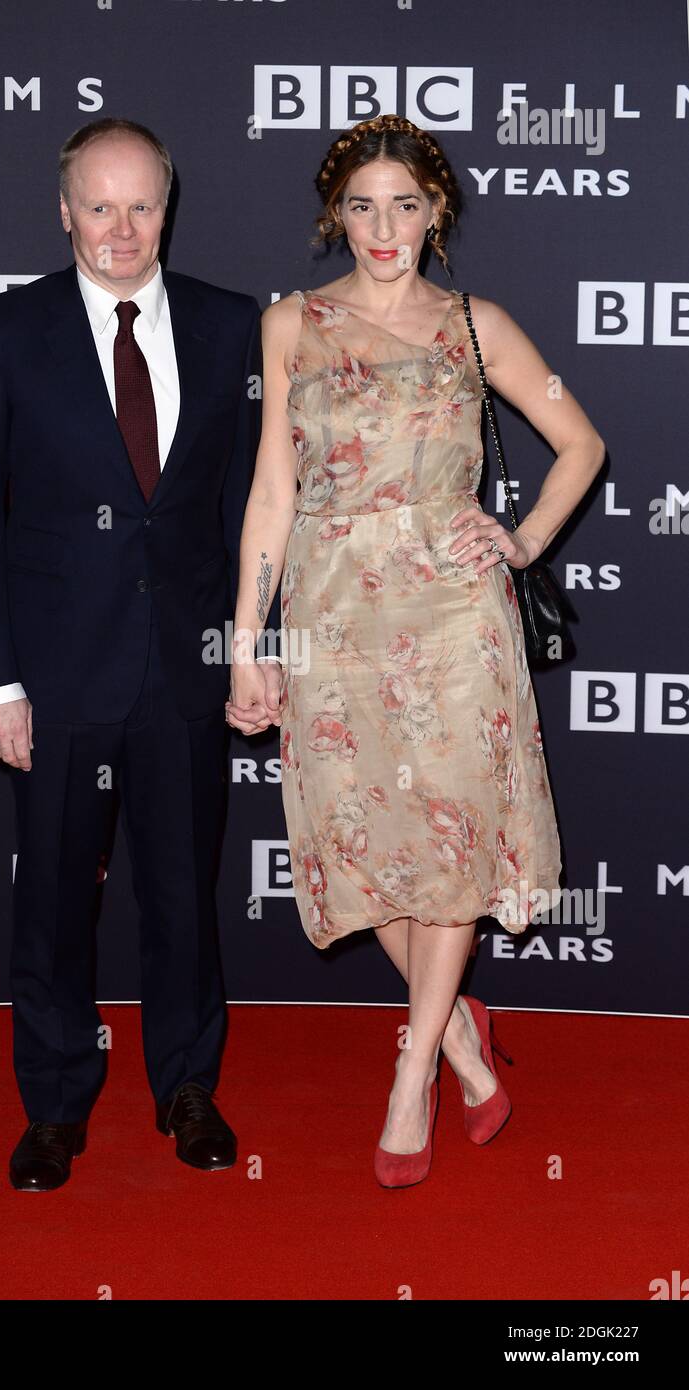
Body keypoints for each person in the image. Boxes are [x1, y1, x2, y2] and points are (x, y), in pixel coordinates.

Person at [226, 114, 605, 1188]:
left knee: (446, 837)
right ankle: (459, 1034)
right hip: (333, 609)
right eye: (360, 205)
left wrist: (522, 537)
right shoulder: (290, 325)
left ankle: (414, 1074)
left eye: (405, 203)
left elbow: (581, 442)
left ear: (435, 210)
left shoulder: (474, 325)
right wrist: (247, 642)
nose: (382, 227)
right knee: (365, 837)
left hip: (451, 616)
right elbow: (270, 490)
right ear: (329, 213)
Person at [0, 116, 279, 1191]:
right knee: (52, 902)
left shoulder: (234, 328)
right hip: (53, 677)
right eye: (100, 204)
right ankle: (53, 1106)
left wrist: (247, 650)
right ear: (64, 210)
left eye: (141, 204)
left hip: (184, 673)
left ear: (166, 210)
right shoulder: (5, 330)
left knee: (184, 897)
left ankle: (187, 1086)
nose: (121, 227)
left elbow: (246, 513)